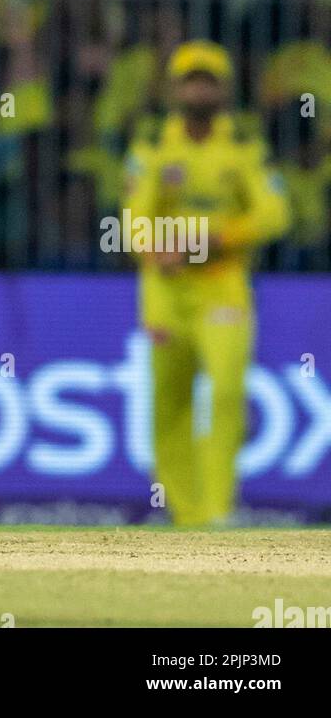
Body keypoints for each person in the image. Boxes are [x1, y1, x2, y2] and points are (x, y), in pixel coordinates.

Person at [122, 42, 290, 527]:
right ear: (175, 88)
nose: (200, 88)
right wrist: (156, 249)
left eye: (209, 80)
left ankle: (218, 511)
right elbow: (133, 217)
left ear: (224, 89)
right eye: (191, 80)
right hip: (166, 291)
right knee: (169, 404)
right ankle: (187, 517)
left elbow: (275, 213)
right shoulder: (153, 144)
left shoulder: (244, 145)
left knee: (224, 394)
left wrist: (217, 238)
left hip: (223, 288)